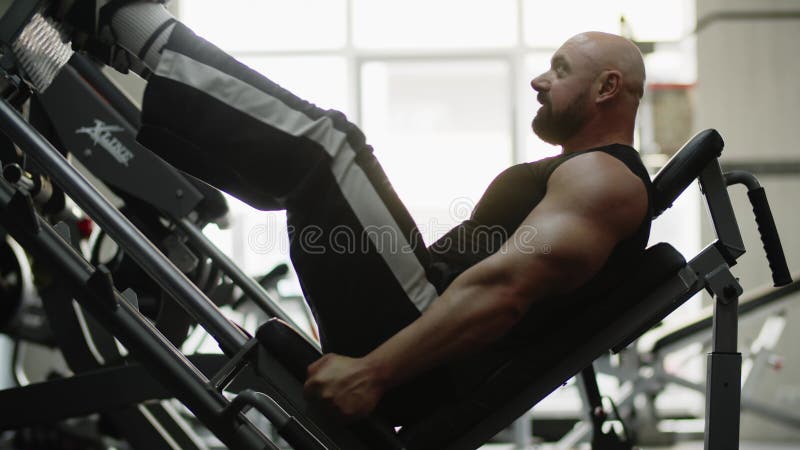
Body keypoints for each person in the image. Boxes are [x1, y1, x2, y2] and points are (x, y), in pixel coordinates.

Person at [50, 1, 651, 424]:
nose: (541, 81)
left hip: (422, 347)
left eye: (562, 70)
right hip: (423, 326)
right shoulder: (587, 176)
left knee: (328, 146)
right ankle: (126, 51)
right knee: (306, 165)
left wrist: (375, 373)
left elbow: (505, 290)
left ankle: (125, 23)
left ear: (606, 89)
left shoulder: (607, 180)